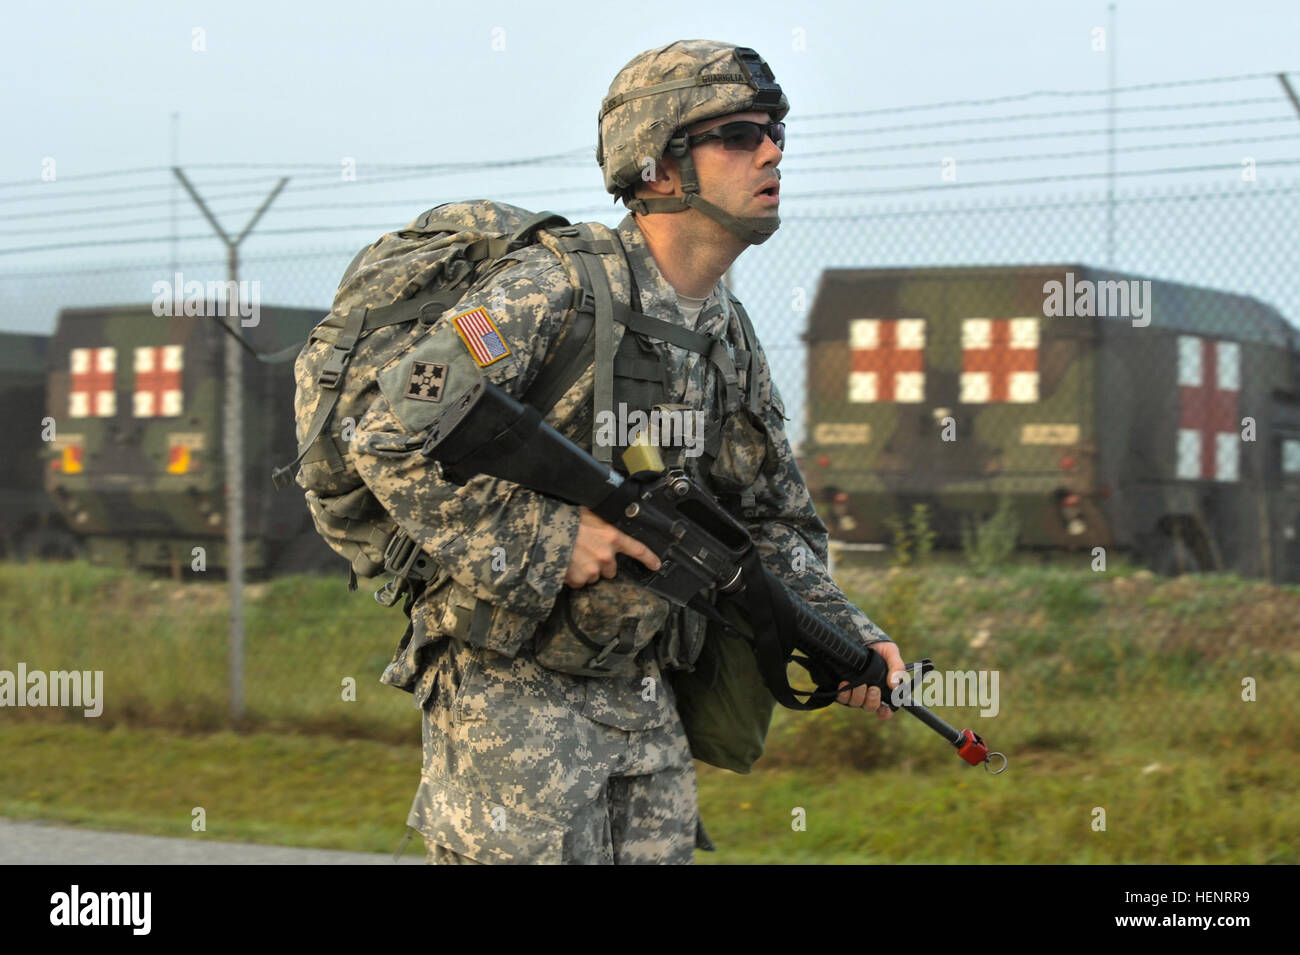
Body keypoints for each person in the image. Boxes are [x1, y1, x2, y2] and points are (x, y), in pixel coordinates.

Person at [351, 38, 906, 865]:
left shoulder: (730, 334)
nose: (773, 151)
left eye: (775, 131)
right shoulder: (553, 288)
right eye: (738, 135)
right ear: (656, 167)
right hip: (510, 689)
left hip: (643, 693)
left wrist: (845, 635)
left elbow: (770, 520)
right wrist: (551, 537)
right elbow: (393, 426)